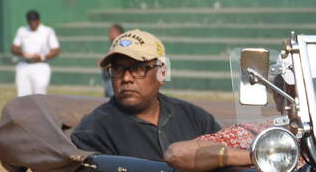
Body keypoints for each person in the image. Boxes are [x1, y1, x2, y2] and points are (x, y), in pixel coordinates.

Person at [164, 44, 316, 172]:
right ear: (279, 99)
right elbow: (177, 154)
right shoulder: (255, 136)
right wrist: (262, 156)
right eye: (304, 91)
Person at [72, 29, 220, 160]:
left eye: (138, 68)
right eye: (118, 69)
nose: (126, 78)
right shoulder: (92, 132)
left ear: (162, 73)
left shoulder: (196, 119)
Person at [11, 10, 60, 96]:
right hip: (24, 65)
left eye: (35, 21)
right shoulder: (22, 31)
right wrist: (23, 53)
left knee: (39, 93)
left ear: (39, 20)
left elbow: (56, 50)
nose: (33, 23)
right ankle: (25, 110)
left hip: (41, 65)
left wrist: (42, 57)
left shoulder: (47, 31)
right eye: (31, 21)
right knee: (23, 95)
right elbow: (14, 48)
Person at [102, 23, 124, 98]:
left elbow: (120, 63)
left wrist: (104, 64)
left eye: (111, 32)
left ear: (119, 33)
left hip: (115, 83)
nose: (109, 35)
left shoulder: (122, 46)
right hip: (109, 83)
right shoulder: (113, 46)